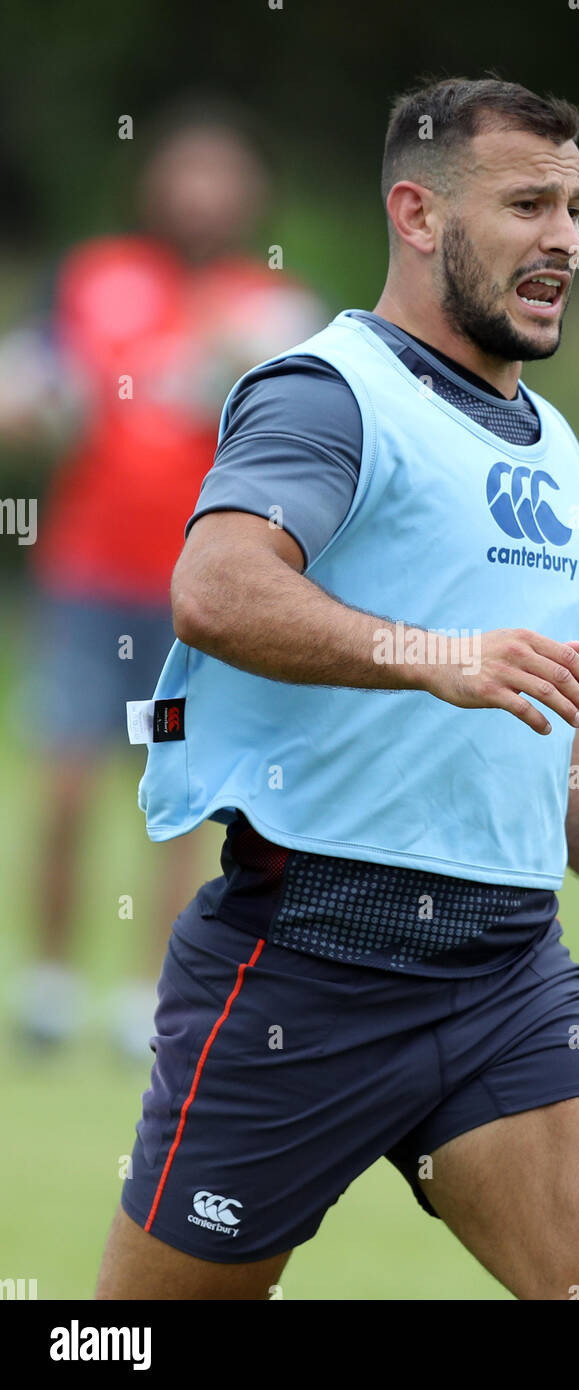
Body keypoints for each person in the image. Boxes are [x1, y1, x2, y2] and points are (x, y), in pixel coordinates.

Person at [96, 77, 579, 1301]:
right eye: (526, 203)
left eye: (577, 206)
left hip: (506, 970)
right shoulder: (326, 393)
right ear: (416, 212)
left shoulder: (553, 445)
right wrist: (432, 654)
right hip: (306, 961)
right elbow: (218, 587)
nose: (566, 237)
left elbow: (536, 711)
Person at [0, 103, 326, 1057]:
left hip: (202, 590)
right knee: (64, 784)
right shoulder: (91, 277)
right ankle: (50, 982)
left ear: (247, 196)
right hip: (84, 575)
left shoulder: (275, 303)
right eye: (187, 174)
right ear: (156, 187)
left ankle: (150, 992)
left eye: (222, 177)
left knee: (179, 793)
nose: (202, 194)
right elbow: (28, 393)